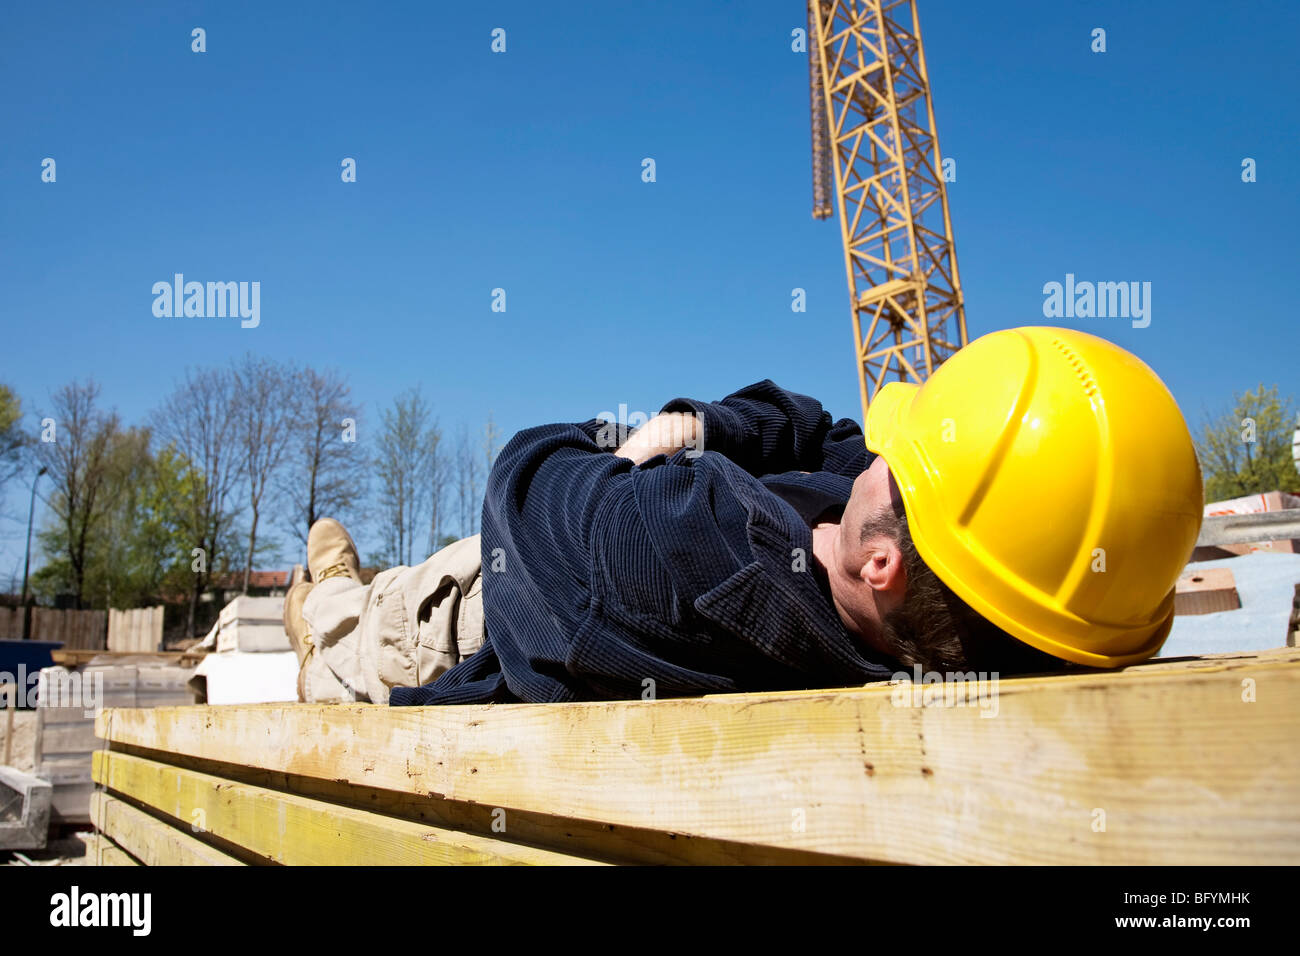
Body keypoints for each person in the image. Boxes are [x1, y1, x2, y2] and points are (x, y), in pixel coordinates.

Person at [283, 326, 1204, 706]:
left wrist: (620, 445)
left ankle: (323, 597)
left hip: (466, 614)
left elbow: (524, 478)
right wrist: (709, 425)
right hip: (558, 575)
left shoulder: (684, 558)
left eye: (899, 464)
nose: (875, 458)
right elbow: (829, 431)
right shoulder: (949, 588)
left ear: (882, 566)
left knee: (350, 631)